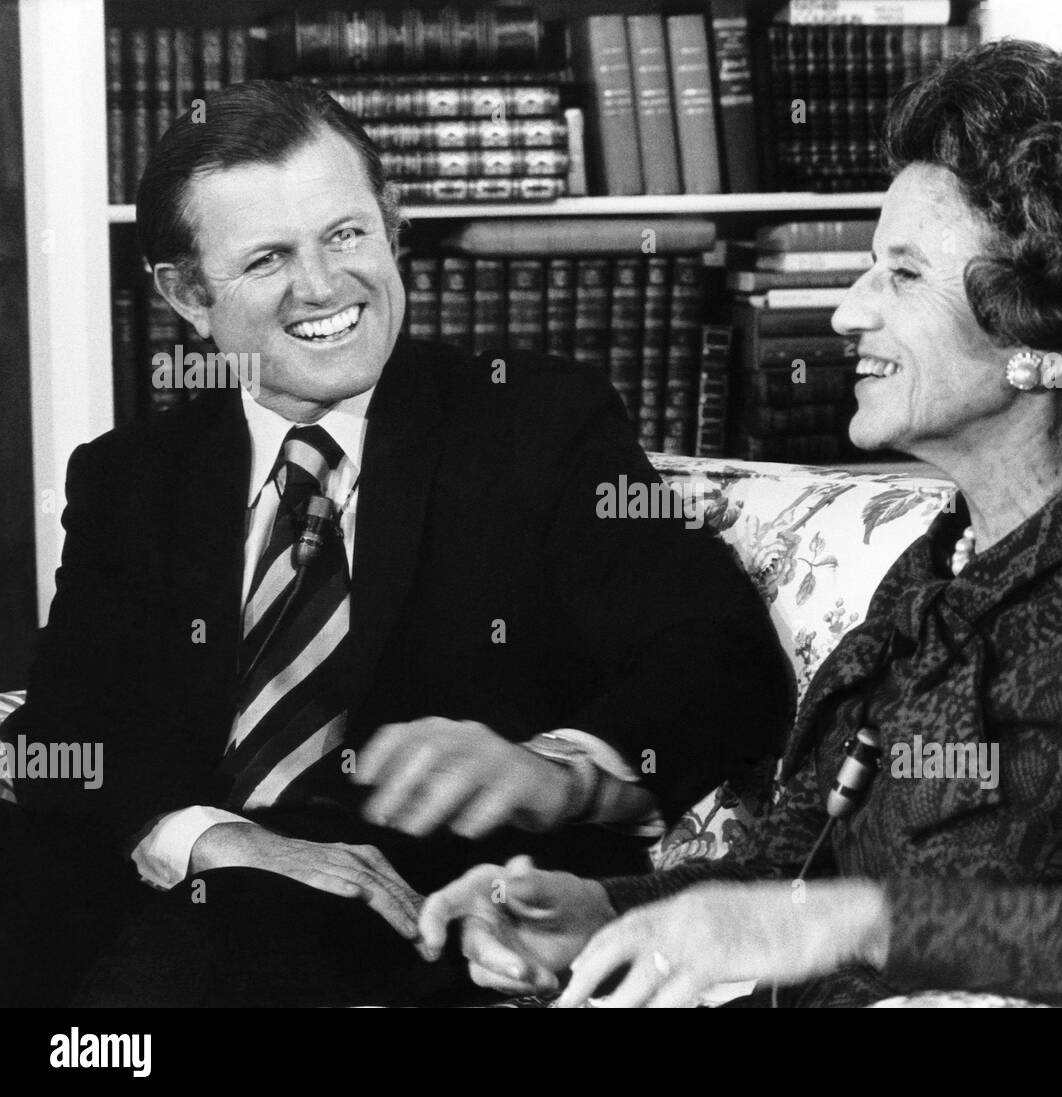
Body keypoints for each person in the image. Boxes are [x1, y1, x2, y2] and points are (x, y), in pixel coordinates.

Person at [419, 40, 1062, 1008]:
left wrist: (853, 922)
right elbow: (791, 879)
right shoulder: (943, 563)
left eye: (902, 273)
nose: (845, 312)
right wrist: (602, 910)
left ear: (1045, 331)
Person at [0, 80, 790, 1007]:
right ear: (185, 294)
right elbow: (62, 732)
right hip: (181, 871)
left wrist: (555, 770)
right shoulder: (134, 476)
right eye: (267, 259)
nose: (325, 287)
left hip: (402, 897)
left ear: (391, 224)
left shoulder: (537, 424)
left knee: (195, 954)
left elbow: (720, 657)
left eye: (346, 234)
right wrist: (209, 838)